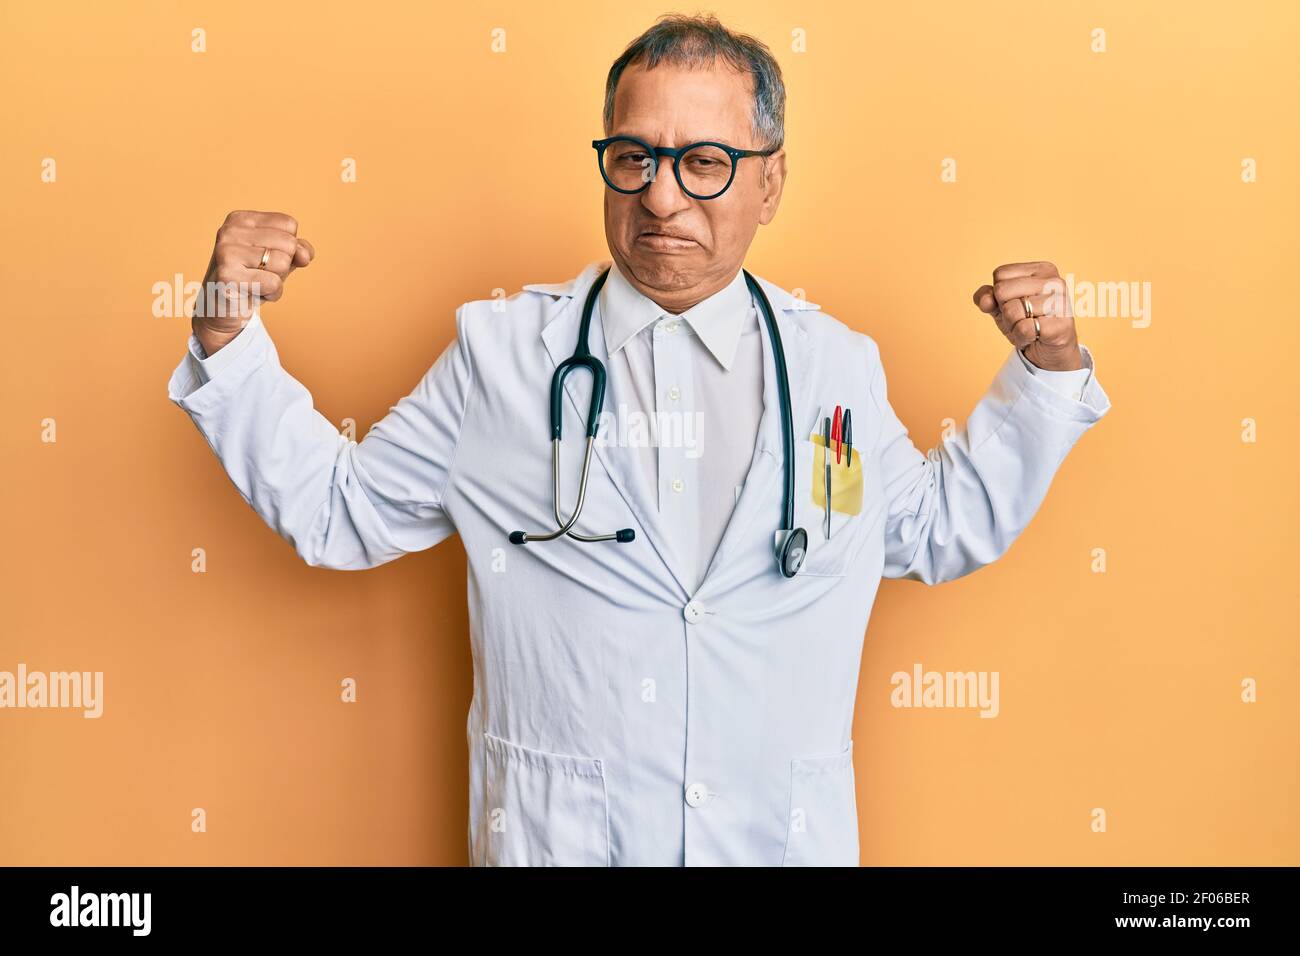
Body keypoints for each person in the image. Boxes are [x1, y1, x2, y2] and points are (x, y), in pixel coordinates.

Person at [168, 14, 1110, 866]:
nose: (661, 198)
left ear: (771, 180)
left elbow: (929, 530)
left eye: (706, 161)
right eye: (634, 157)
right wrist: (225, 330)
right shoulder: (500, 358)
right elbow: (340, 513)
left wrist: (1048, 372)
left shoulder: (833, 371)